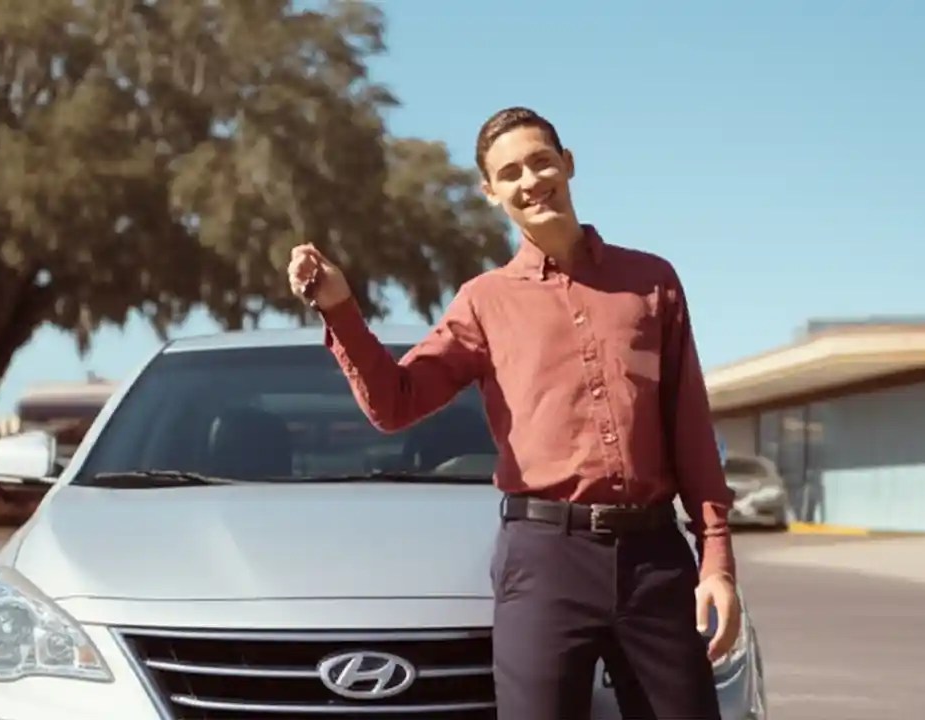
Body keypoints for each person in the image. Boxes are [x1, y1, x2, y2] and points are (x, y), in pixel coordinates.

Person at [287, 106, 740, 719]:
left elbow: (689, 425)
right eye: (510, 173)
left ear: (568, 164)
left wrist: (716, 560)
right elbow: (395, 404)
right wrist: (341, 310)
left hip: (655, 559)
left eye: (540, 162)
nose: (530, 180)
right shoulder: (484, 303)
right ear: (491, 192)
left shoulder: (651, 282)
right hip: (546, 559)